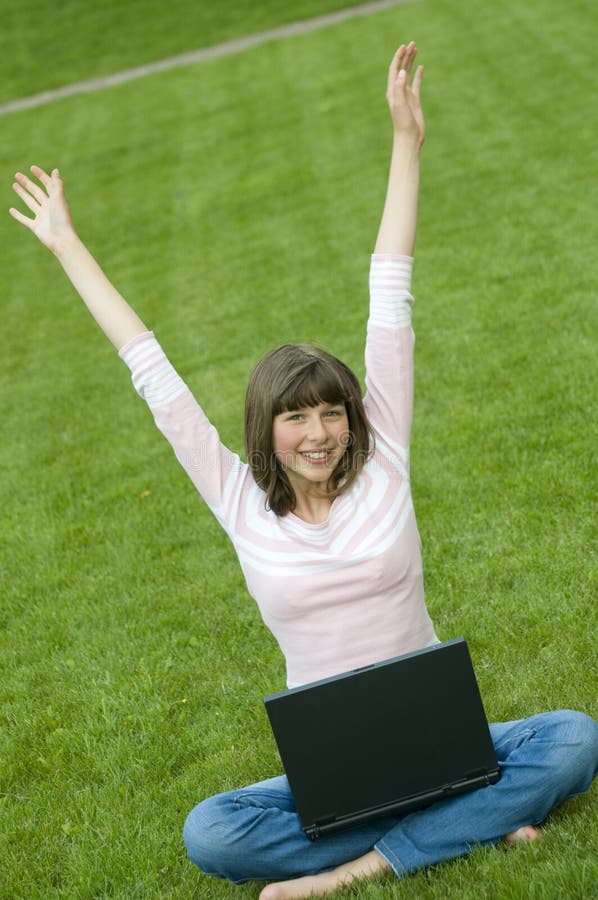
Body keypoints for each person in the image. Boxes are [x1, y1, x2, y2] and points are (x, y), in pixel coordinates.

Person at [10, 42, 598, 900]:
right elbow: (151, 368)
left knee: (573, 737)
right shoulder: (238, 500)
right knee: (211, 831)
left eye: (332, 411)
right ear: (267, 429)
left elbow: (389, 290)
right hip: (337, 770)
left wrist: (408, 141)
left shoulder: (385, 459)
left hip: (446, 740)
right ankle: (466, 823)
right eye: (296, 416)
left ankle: (361, 864)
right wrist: (66, 246)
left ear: (355, 414)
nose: (319, 433)